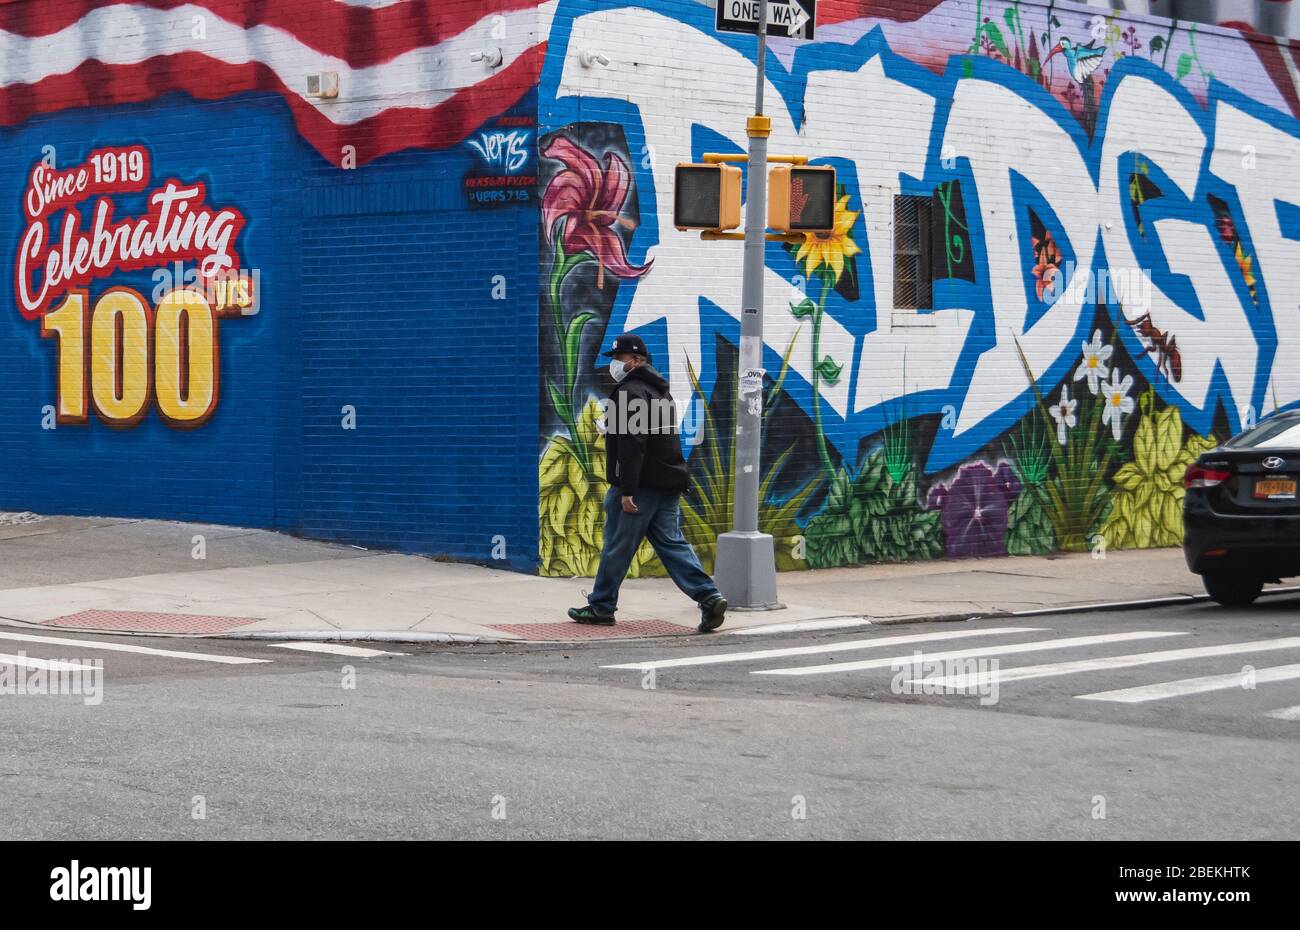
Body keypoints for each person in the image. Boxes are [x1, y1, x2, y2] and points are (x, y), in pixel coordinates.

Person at [568, 334, 728, 633]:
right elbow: (656, 438)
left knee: (617, 546)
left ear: (636, 360)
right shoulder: (659, 392)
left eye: (619, 358)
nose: (614, 364)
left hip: (639, 486)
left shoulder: (629, 392)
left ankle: (601, 606)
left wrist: (627, 490)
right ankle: (709, 596)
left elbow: (633, 446)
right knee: (671, 544)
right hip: (667, 481)